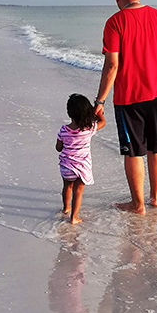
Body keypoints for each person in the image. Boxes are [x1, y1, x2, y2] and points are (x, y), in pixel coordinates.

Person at [94, 0, 157, 214]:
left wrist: (99, 100)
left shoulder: (115, 22)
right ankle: (155, 197)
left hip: (130, 97)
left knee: (134, 150)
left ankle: (137, 204)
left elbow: (112, 65)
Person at [56, 93, 106, 224]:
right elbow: (103, 122)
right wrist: (98, 112)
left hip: (66, 166)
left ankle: (66, 208)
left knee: (67, 187)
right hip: (82, 167)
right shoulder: (89, 129)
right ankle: (74, 217)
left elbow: (58, 148)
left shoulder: (63, 130)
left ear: (69, 112)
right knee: (78, 191)